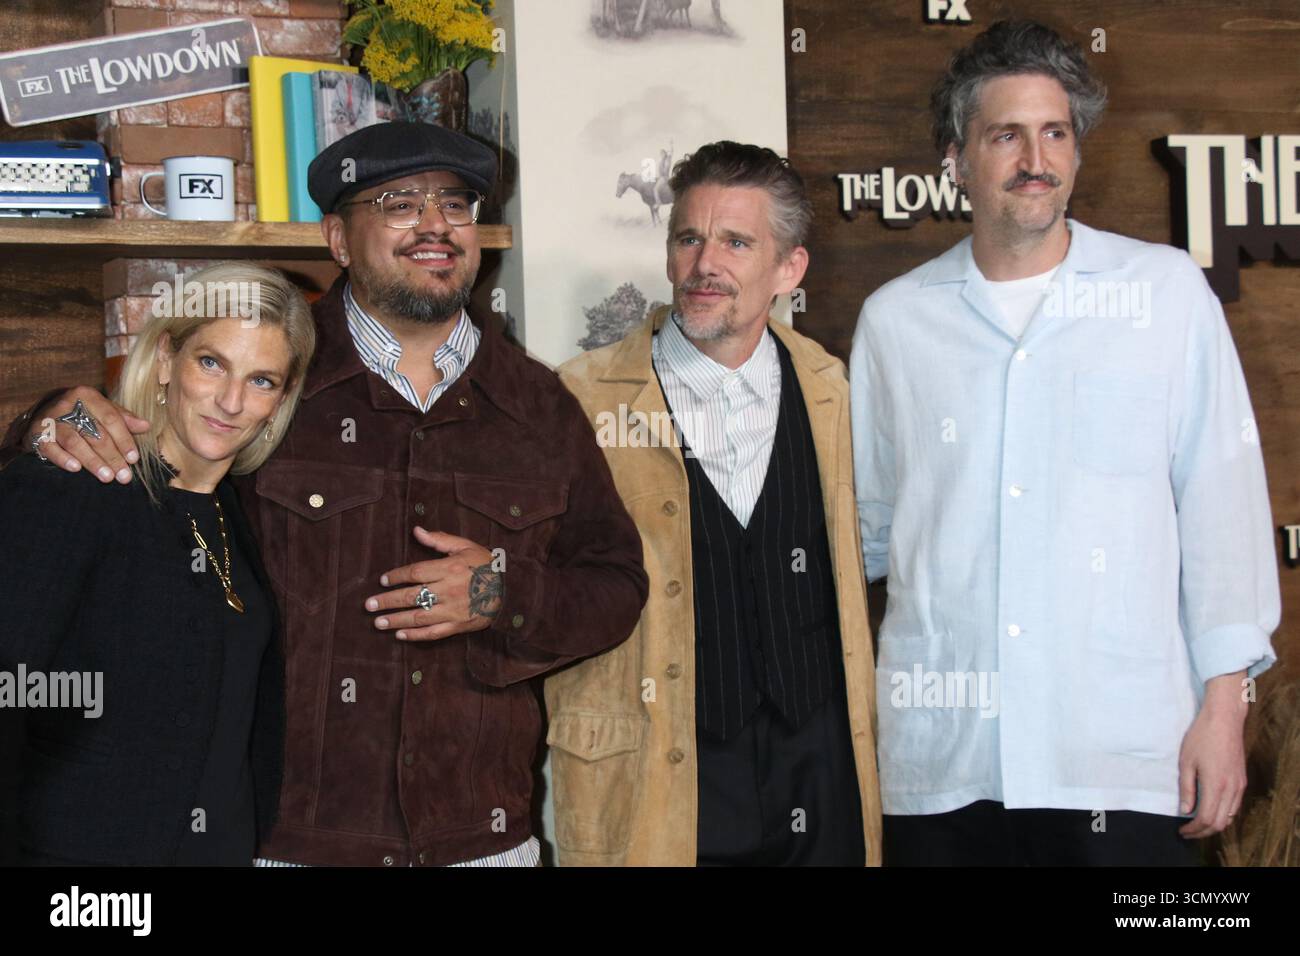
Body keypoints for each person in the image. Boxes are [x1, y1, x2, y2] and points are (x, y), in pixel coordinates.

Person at [2, 122, 649, 867]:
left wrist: (502, 595)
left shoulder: (542, 405)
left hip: (485, 843)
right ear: (338, 238)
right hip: (285, 846)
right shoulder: (271, 370)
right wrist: (45, 422)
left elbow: (616, 586)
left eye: (456, 203)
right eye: (400, 203)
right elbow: (140, 451)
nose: (435, 224)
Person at [849, 20, 1279, 865]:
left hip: (1121, 757)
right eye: (1005, 134)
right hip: (946, 764)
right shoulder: (896, 321)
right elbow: (866, 534)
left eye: (1055, 132)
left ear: (1078, 151)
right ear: (956, 158)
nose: (1033, 158)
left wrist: (1224, 709)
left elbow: (1222, 511)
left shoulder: (1164, 295)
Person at [550, 142, 881, 866]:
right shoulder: (578, 397)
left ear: (789, 268)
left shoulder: (834, 390)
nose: (706, 265)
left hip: (820, 772)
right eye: (689, 238)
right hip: (662, 771)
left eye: (736, 242)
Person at [0, 262, 315, 865]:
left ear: (280, 401)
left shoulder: (237, 513)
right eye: (212, 362)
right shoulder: (76, 485)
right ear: (167, 358)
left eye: (262, 380)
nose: (230, 401)